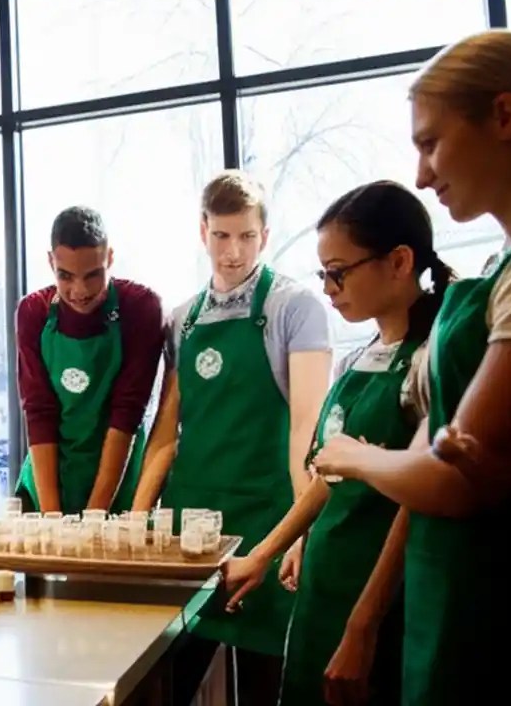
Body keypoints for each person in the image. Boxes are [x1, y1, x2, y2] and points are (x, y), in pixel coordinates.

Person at [313, 30, 511, 704]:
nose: (422, 175)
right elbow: (445, 449)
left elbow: (457, 481)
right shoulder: (501, 268)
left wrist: (353, 457)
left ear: (503, 116)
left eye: (431, 144)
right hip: (449, 591)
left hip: (508, 597)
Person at [222, 181, 454, 706]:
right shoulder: (361, 358)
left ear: (398, 261)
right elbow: (329, 475)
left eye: (340, 272)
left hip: (380, 596)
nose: (329, 287)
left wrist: (364, 622)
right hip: (324, 587)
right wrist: (267, 552)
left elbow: (417, 502)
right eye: (323, 273)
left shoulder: (430, 360)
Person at [136, 170, 333, 705]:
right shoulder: (182, 321)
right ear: (203, 232)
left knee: (265, 688)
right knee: (163, 684)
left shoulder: (295, 309)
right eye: (222, 236)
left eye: (246, 236)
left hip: (264, 524)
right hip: (189, 533)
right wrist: (136, 522)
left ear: (264, 236)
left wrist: (297, 534)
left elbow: (305, 433)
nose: (233, 251)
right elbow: (164, 436)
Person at [14, 206, 164, 514]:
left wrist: (95, 515)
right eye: (65, 276)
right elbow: (39, 413)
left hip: (117, 479)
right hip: (48, 481)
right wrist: (52, 516)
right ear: (50, 262)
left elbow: (127, 413)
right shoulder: (34, 312)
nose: (79, 291)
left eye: (93, 275)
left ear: (109, 257)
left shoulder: (141, 308)